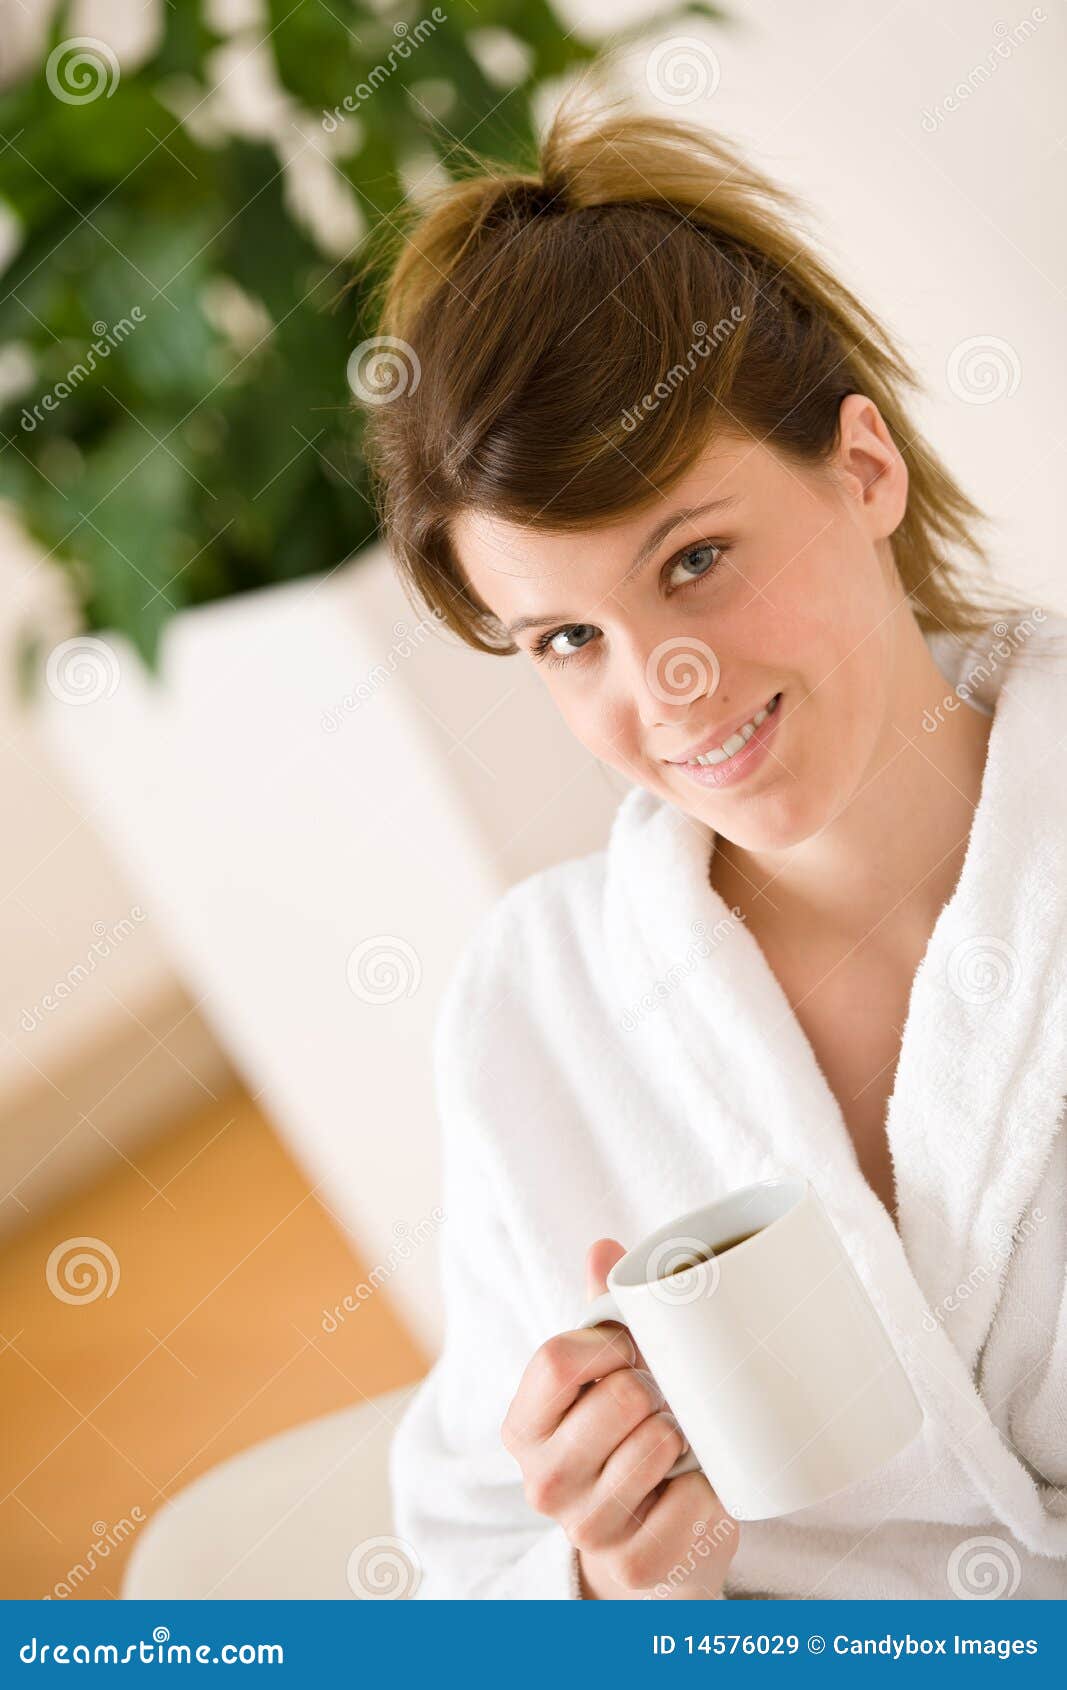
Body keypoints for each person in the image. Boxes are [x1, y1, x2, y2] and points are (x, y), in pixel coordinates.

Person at [360, 97, 1067, 1598]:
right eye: (567, 638)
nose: (664, 687)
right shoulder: (542, 1003)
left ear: (863, 469)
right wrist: (610, 1570)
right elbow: (470, 1566)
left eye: (694, 558)